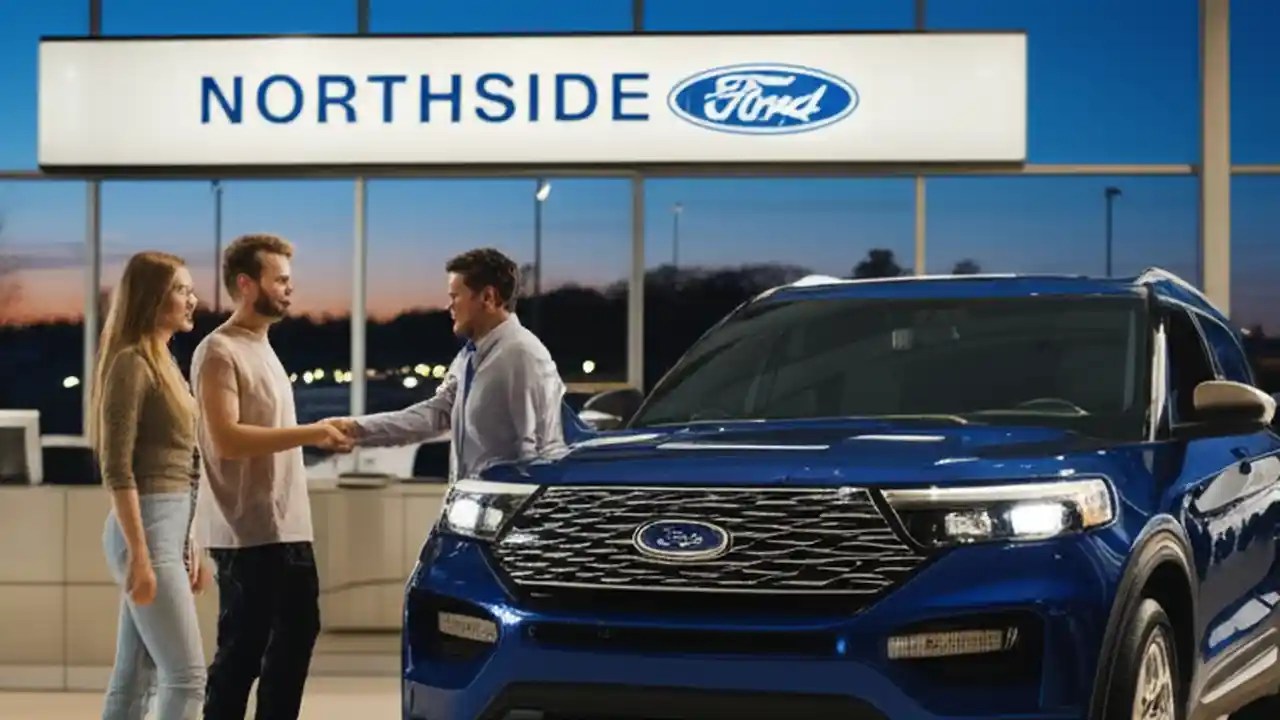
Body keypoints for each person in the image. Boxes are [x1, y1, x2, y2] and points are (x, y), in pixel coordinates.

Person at [191, 233, 351, 720]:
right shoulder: (218, 351)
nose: (289, 288)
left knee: (296, 640)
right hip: (246, 533)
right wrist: (313, 433)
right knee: (241, 657)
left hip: (289, 528)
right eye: (279, 279)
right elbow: (226, 439)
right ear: (246, 284)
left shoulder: (264, 347)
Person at [329, 247, 567, 479]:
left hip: (504, 503)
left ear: (488, 297)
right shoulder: (469, 357)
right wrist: (355, 428)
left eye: (455, 296)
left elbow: (538, 455)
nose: (449, 306)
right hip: (474, 500)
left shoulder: (522, 354)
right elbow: (434, 415)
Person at [91, 251, 207, 719]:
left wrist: (190, 538)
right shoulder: (132, 363)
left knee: (135, 678)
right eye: (181, 290)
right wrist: (141, 555)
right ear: (152, 297)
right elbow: (117, 468)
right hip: (146, 530)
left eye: (190, 290)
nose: (192, 300)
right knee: (186, 677)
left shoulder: (164, 362)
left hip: (168, 529)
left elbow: (186, 462)